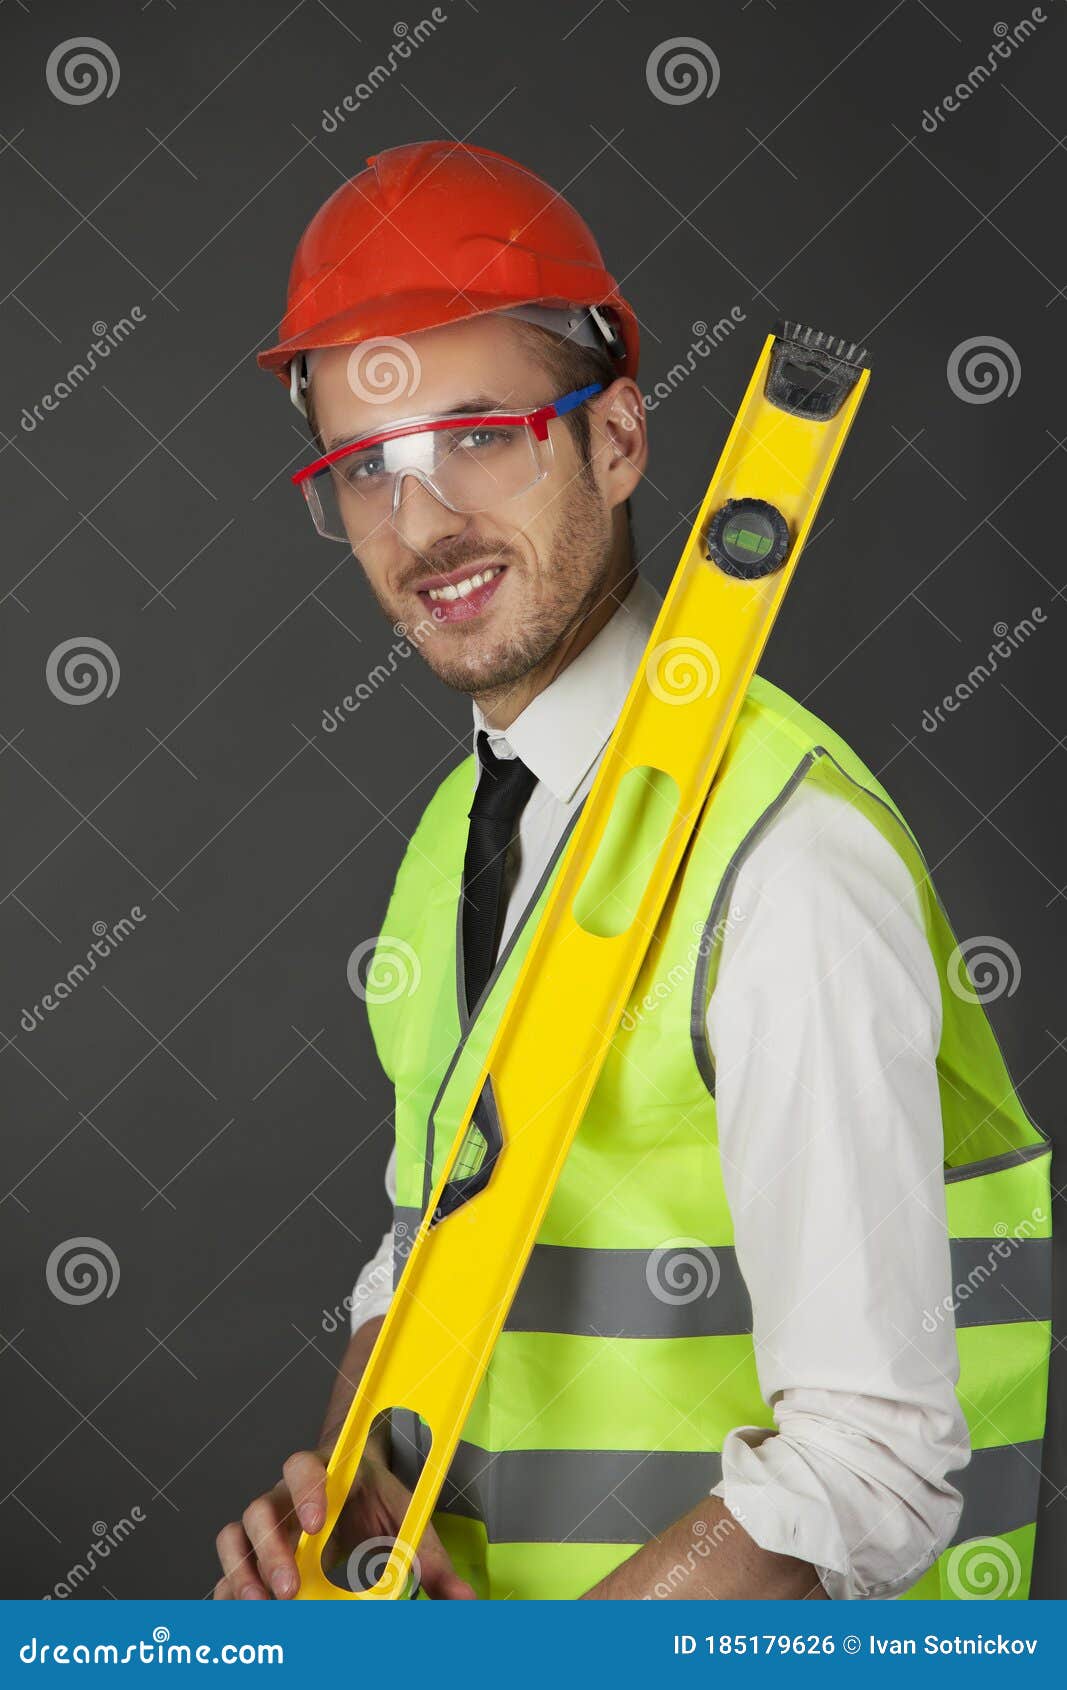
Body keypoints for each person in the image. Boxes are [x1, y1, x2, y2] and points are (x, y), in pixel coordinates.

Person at [213, 141, 1050, 1602]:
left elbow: (871, 1458)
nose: (422, 525)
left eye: (482, 436)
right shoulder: (450, 844)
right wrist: (343, 1542)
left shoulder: (786, 859)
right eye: (366, 469)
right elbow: (435, 1237)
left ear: (615, 440)